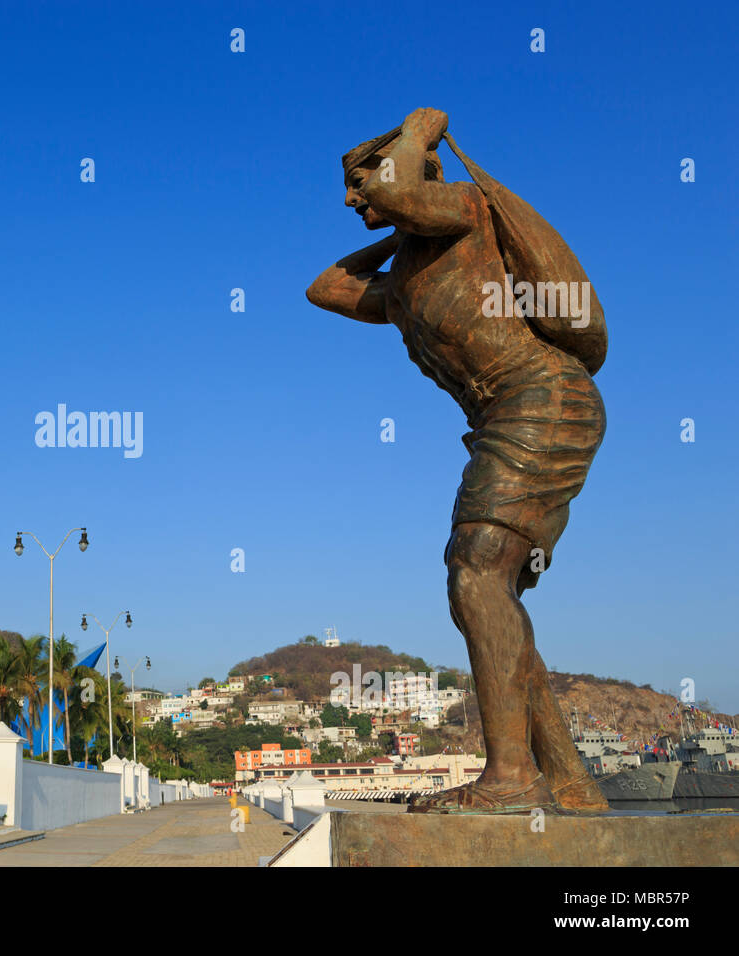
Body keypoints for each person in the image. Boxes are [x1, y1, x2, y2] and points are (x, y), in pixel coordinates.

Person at [306, 108, 608, 813]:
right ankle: (566, 778)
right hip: (506, 416)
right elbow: (326, 289)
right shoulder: (411, 276)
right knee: (480, 590)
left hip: (542, 398)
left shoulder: (468, 211)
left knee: (477, 570)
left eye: (360, 182)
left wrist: (413, 140)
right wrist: (395, 221)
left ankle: (511, 778)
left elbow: (400, 197)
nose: (354, 200)